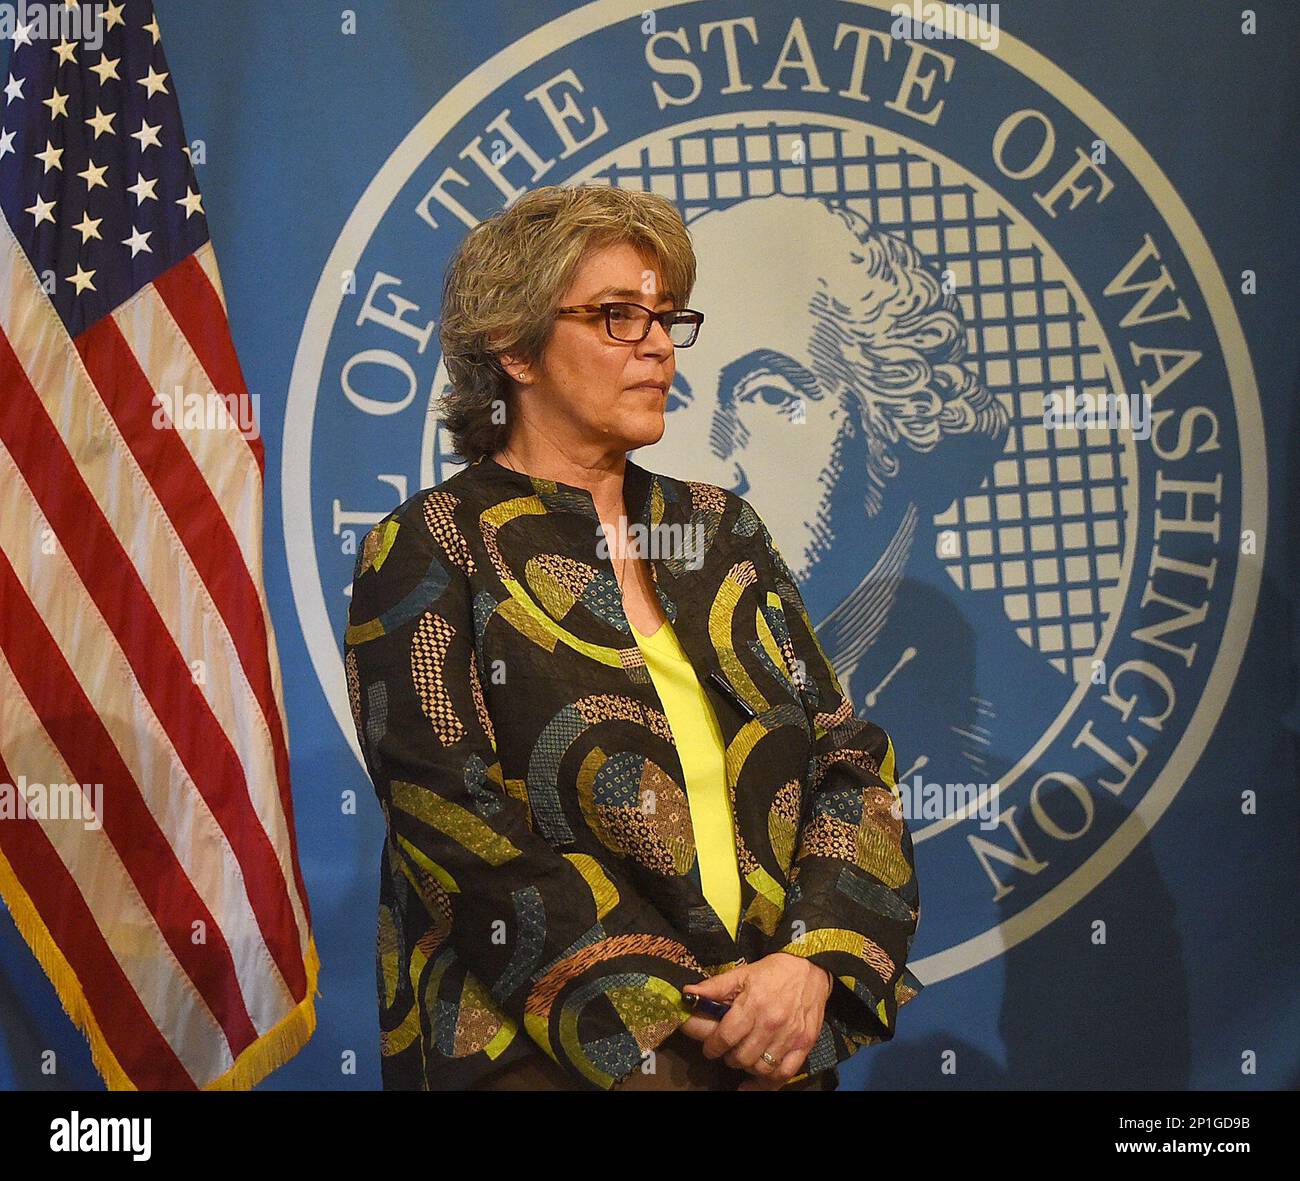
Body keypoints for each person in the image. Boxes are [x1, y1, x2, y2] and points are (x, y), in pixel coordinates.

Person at [343, 183, 923, 1091]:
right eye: (617, 317)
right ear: (515, 347)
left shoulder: (721, 530)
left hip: (767, 1044)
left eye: (663, 317)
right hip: (539, 1058)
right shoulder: (431, 544)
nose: (657, 344)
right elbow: (450, 821)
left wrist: (809, 965)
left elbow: (847, 758)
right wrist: (668, 1013)